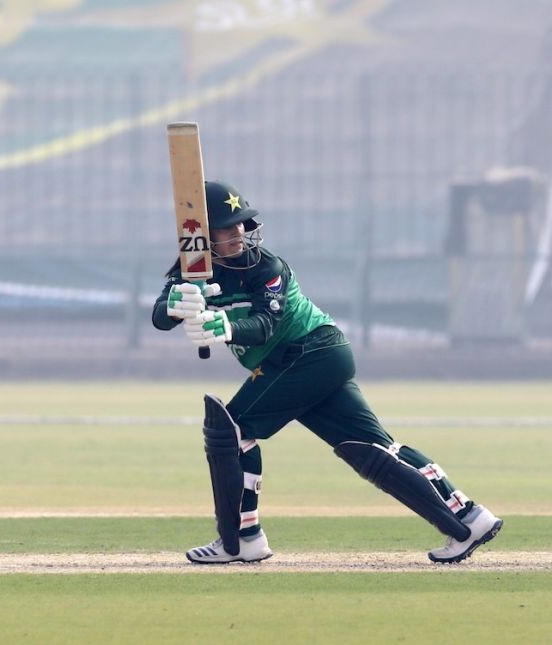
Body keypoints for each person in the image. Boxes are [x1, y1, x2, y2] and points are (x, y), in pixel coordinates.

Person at [153, 180, 502, 565]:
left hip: (308, 353)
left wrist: (226, 326)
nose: (239, 233)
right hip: (306, 362)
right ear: (201, 235)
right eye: (227, 225)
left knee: (230, 431)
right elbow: (159, 317)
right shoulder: (191, 272)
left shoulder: (265, 266)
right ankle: (467, 517)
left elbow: (266, 323)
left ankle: (241, 539)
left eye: (242, 224)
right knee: (371, 449)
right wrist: (175, 303)